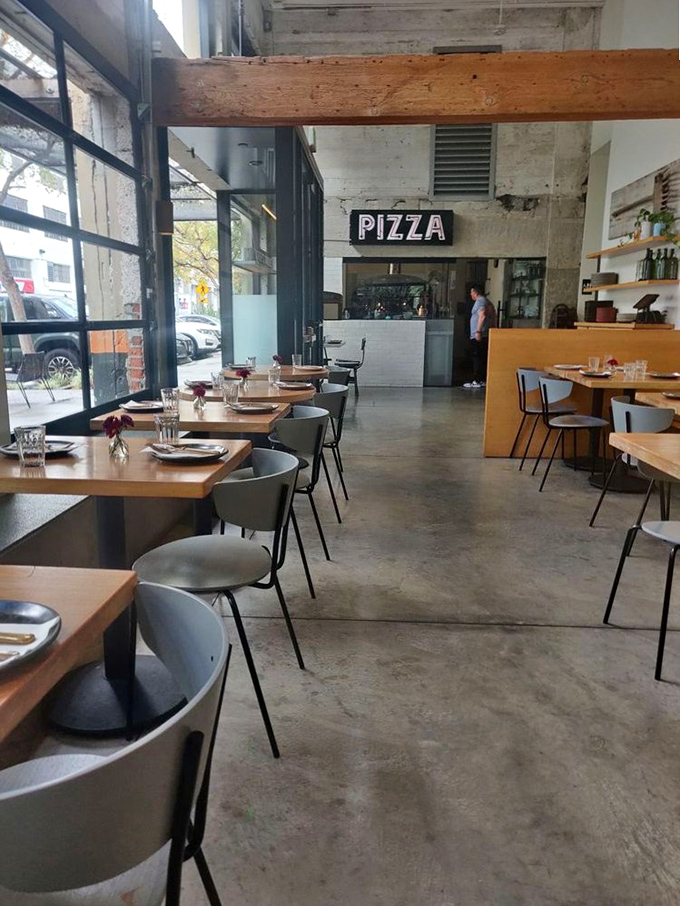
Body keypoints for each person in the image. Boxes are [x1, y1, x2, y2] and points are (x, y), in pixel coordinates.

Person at [463, 284, 495, 389]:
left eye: (471, 292)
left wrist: (478, 331)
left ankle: (476, 380)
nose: (470, 294)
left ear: (475, 292)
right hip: (484, 333)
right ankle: (481, 379)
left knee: (477, 357)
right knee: (481, 356)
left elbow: (482, 315)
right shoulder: (487, 301)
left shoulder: (480, 301)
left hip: (479, 335)